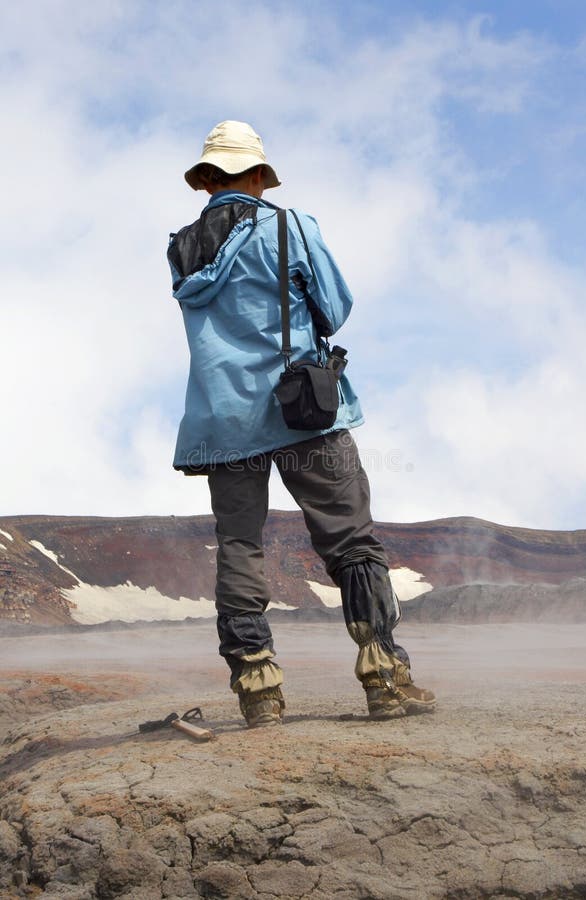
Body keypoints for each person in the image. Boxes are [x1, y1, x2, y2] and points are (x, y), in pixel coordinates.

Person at [168, 120, 436, 728]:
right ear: (259, 176)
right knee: (350, 539)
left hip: (222, 422)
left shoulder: (182, 249)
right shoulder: (289, 227)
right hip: (303, 413)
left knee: (239, 545)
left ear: (206, 179)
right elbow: (335, 310)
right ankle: (383, 675)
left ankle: (257, 687)